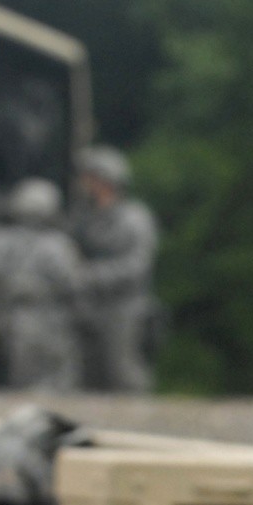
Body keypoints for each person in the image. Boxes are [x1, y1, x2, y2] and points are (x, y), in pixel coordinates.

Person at [0, 178, 84, 391]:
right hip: (48, 318)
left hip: (9, 317)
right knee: (57, 380)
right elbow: (72, 283)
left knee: (19, 377)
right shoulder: (57, 245)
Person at [73, 145, 159, 393]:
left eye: (91, 177)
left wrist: (93, 274)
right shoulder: (85, 217)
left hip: (123, 306)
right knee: (88, 376)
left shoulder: (134, 218)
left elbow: (138, 264)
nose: (85, 183)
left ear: (105, 180)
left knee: (123, 373)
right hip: (89, 304)